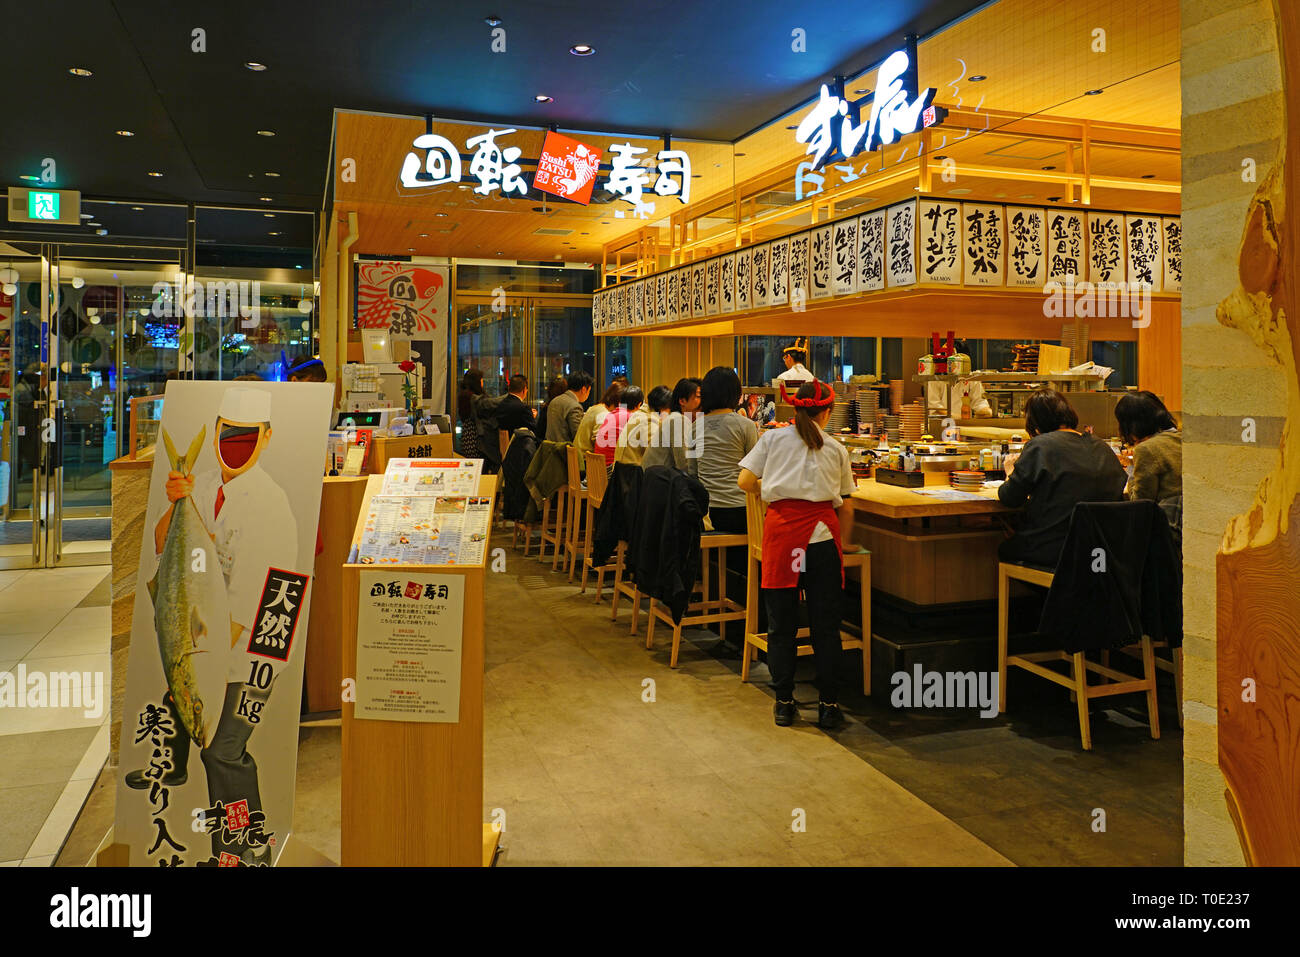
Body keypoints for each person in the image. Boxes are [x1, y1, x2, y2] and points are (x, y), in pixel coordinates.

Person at [129, 386, 299, 864]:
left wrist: (202, 648)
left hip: (254, 647)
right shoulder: (204, 485)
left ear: (265, 438)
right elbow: (164, 543)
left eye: (247, 438)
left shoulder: (271, 503)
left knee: (223, 752)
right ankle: (176, 773)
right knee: (186, 704)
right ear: (219, 433)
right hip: (207, 634)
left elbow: (261, 598)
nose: (235, 446)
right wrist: (177, 496)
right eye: (229, 435)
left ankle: (247, 847)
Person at [738, 380, 856, 730]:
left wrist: (773, 487)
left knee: (782, 625)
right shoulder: (836, 447)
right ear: (828, 412)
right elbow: (846, 505)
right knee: (825, 626)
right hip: (821, 543)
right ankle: (829, 705)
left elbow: (745, 481)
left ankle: (784, 703)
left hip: (783, 540)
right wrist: (846, 545)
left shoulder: (772, 439)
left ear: (794, 408)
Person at [997, 388, 1127, 568]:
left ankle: (1058, 595)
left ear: (1035, 424)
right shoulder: (1101, 446)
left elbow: (1010, 498)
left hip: (1055, 551)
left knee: (1006, 548)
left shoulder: (1040, 446)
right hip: (1103, 553)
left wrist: (1010, 472)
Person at [694, 366, 758, 534]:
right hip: (739, 509)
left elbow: (692, 471)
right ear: (735, 393)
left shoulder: (694, 427)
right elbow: (755, 470)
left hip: (704, 512)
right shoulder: (746, 425)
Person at [1114, 390, 1182, 546]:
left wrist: (1131, 470)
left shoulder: (1147, 449)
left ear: (1131, 424)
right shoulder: (1183, 439)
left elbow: (1140, 503)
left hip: (1167, 532)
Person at [642, 377, 700, 471]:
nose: (702, 401)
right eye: (698, 396)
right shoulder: (678, 420)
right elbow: (684, 465)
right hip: (658, 481)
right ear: (682, 401)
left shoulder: (676, 418)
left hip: (656, 478)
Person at [576, 381, 622, 460]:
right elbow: (599, 443)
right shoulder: (604, 414)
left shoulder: (595, 408)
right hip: (587, 463)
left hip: (579, 459)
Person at [600, 385, 642, 469]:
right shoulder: (631, 418)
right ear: (639, 405)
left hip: (598, 468)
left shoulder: (610, 414)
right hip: (612, 472)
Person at [545, 370, 592, 444]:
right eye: (589, 391)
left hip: (550, 451)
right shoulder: (575, 406)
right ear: (583, 389)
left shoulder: (555, 400)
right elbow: (578, 436)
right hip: (565, 452)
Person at [457, 369, 486, 458]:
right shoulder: (473, 398)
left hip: (467, 434)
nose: (483, 382)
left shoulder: (463, 394)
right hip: (475, 436)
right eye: (481, 379)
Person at [535, 376, 567, 443]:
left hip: (544, 446)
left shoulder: (546, 408)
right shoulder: (561, 410)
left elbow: (539, 433)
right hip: (555, 448)